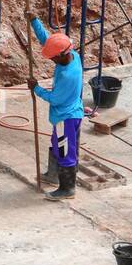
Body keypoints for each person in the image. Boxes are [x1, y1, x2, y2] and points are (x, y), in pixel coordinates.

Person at [27, 15, 83, 201]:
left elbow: (55, 99)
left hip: (65, 117)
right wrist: (34, 21)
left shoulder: (68, 76)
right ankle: (52, 175)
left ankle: (67, 189)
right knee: (57, 145)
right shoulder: (73, 56)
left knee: (65, 152)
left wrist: (36, 88)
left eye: (53, 58)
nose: (51, 60)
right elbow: (48, 42)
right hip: (70, 114)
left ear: (61, 55)